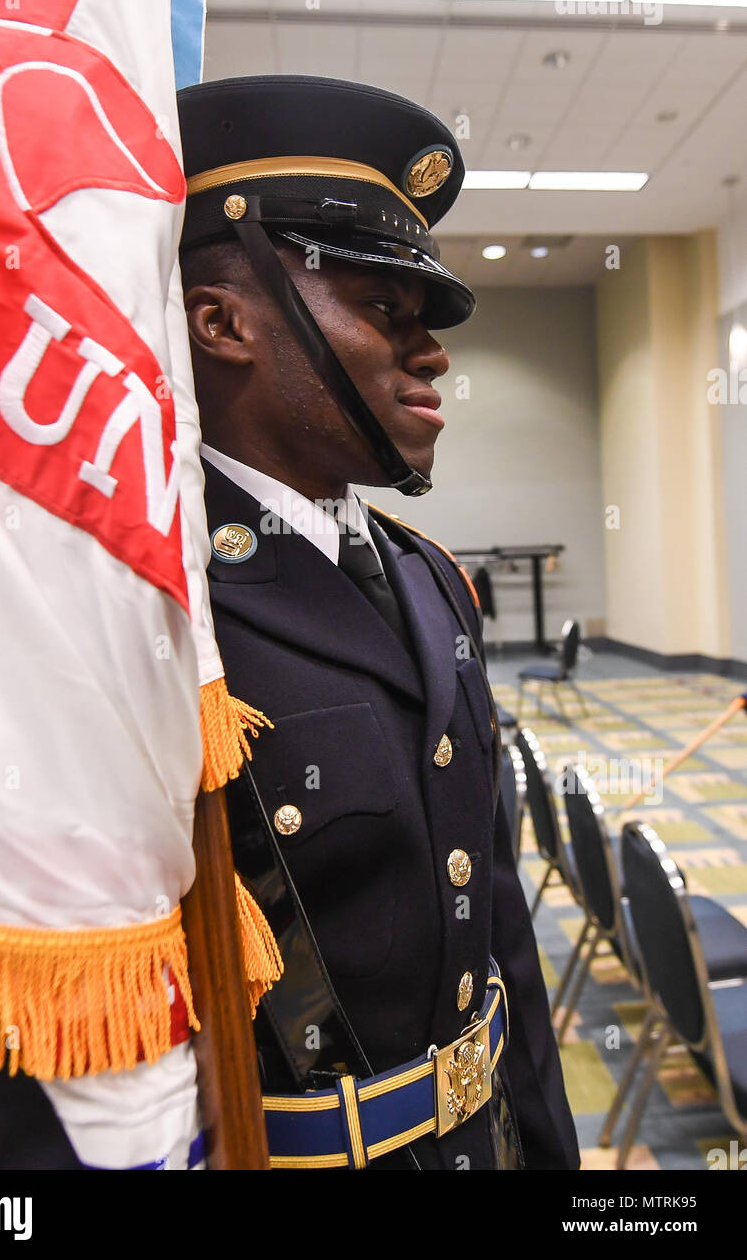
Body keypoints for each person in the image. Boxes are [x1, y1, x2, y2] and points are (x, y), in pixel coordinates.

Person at [175, 74, 580, 1171]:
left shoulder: (427, 578)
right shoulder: (149, 612)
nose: (432, 351)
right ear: (223, 322)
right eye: (386, 311)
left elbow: (497, 928)